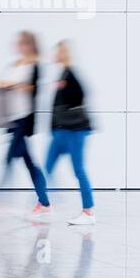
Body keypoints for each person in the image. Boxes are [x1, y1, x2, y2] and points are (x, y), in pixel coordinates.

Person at [0, 30, 51, 221]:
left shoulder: (35, 65)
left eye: (22, 43)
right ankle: (45, 203)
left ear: (29, 45)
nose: (18, 46)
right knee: (30, 163)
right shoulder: (15, 64)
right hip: (13, 118)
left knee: (8, 160)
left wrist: (13, 85)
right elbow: (7, 83)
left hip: (24, 118)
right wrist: (5, 84)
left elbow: (34, 89)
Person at [44, 40, 95, 226]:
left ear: (62, 53)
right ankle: (44, 204)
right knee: (47, 166)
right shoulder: (64, 73)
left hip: (74, 130)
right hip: (62, 130)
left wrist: (64, 88)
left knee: (79, 170)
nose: (53, 55)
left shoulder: (70, 73)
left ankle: (88, 212)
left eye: (56, 52)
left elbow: (81, 95)